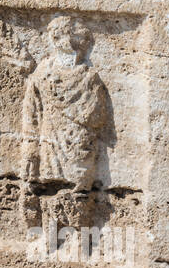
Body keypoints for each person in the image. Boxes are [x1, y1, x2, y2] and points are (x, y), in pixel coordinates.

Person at [20, 17, 107, 192]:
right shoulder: (42, 74)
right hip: (50, 143)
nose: (62, 42)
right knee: (49, 189)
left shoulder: (89, 77)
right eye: (57, 37)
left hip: (80, 144)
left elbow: (97, 117)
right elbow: (32, 113)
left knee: (80, 193)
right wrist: (30, 149)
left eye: (66, 36)